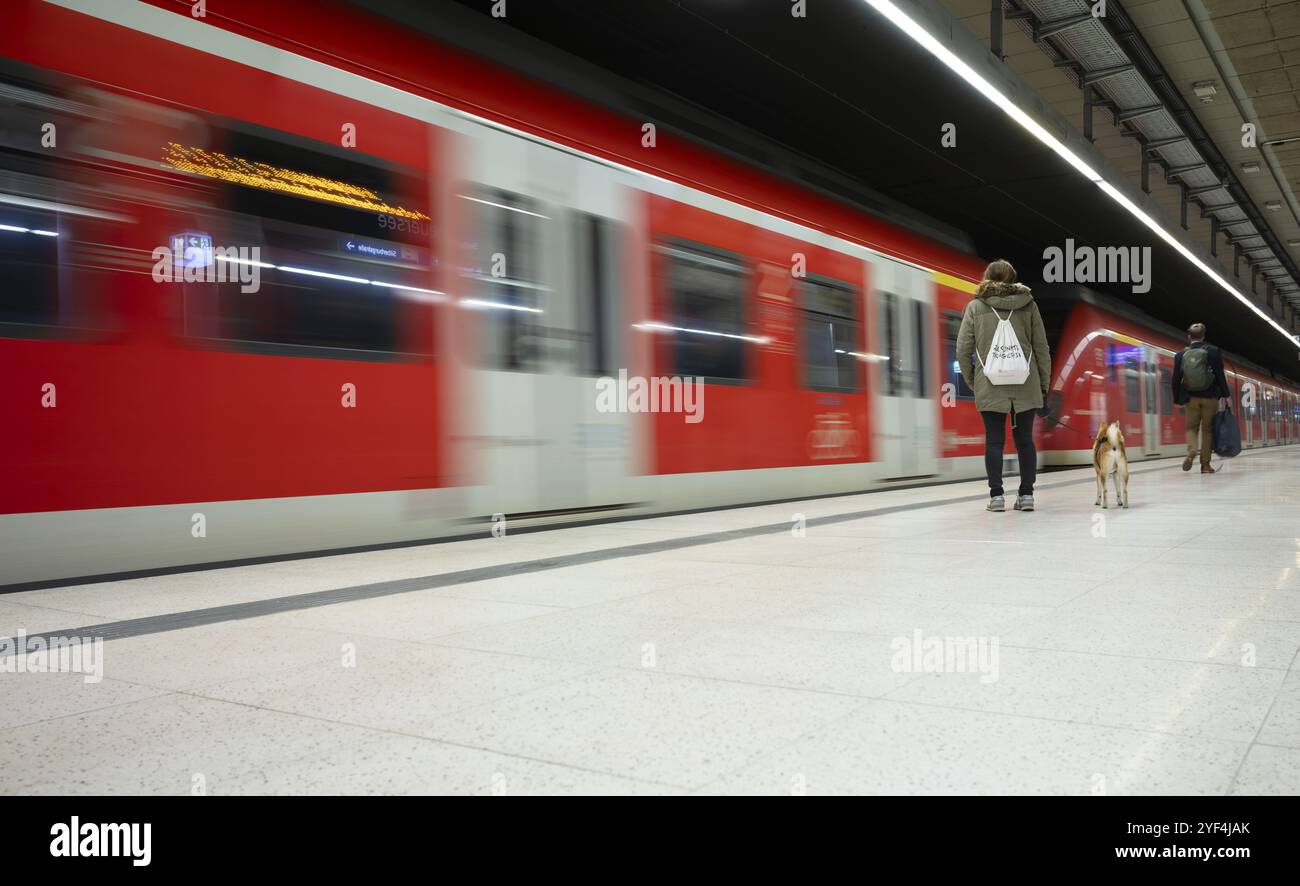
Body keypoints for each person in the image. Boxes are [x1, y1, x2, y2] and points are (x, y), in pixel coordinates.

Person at [956, 260, 1052, 512]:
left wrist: (973, 380)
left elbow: (963, 350)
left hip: (990, 383)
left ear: (987, 277)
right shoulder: (1029, 305)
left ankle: (997, 496)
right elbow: (1042, 349)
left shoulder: (975, 306)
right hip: (1026, 383)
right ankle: (1026, 495)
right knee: (1025, 442)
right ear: (1013, 279)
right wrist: (1043, 386)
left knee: (994, 442)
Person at [1171, 322, 1230, 473]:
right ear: (1204, 336)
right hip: (1210, 398)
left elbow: (1175, 378)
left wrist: (1177, 399)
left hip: (1191, 399)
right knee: (1208, 430)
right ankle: (1205, 465)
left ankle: (1191, 451)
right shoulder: (1213, 351)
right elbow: (1219, 374)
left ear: (1189, 336)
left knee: (1191, 428)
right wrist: (1226, 395)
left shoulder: (1180, 354)